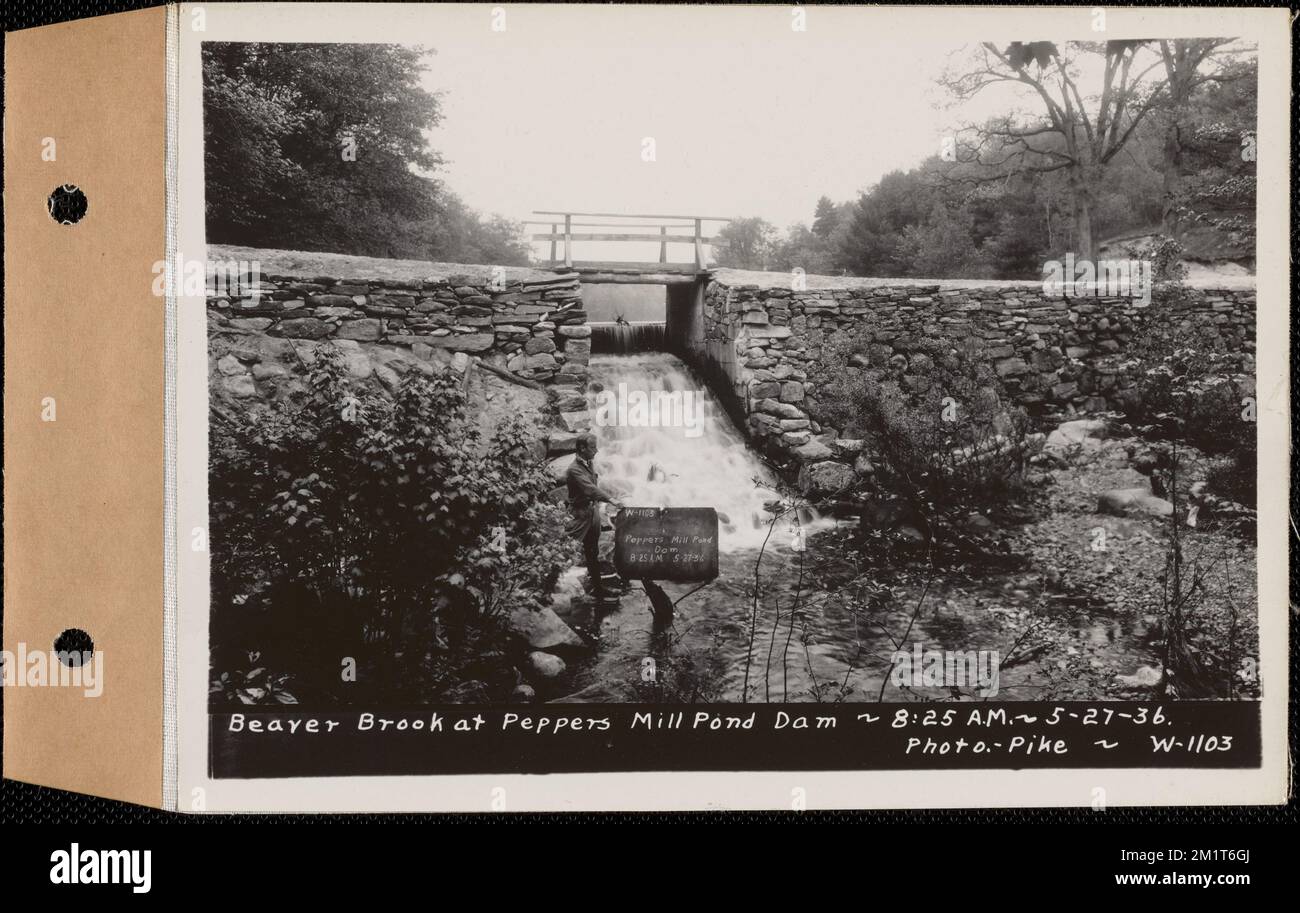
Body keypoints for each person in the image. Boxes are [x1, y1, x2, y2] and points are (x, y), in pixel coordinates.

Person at [565, 433, 621, 598]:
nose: (596, 451)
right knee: (564, 551)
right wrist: (611, 499)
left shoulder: (589, 463)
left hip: (592, 514)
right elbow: (590, 489)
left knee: (592, 552)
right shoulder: (574, 469)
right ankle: (546, 588)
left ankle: (598, 589)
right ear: (582, 448)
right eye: (592, 447)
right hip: (579, 516)